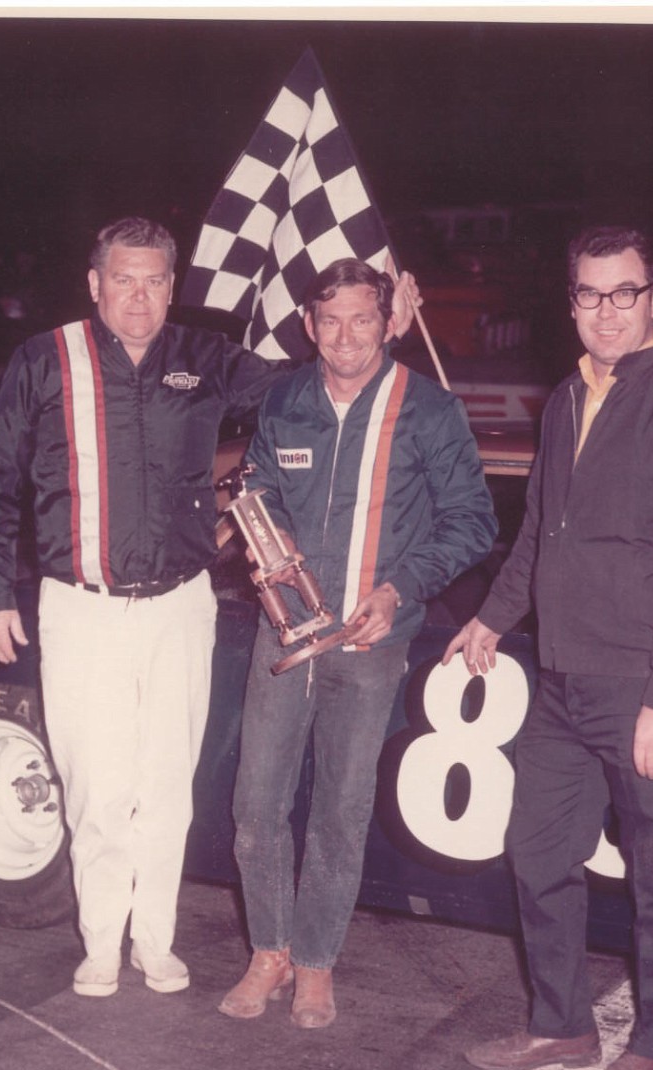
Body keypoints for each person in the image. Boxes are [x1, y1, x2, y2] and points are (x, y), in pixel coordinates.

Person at [0, 217, 417, 999]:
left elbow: (312, 386)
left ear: (172, 286)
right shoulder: (46, 359)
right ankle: (100, 940)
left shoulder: (203, 358)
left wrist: (386, 336)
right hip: (82, 604)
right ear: (95, 283)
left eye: (154, 280)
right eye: (123, 279)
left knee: (168, 780)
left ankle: (156, 939)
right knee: (98, 785)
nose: (138, 296)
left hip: (179, 604)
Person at [444, 226, 653, 1070]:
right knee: (536, 853)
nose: (605, 310)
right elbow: (543, 531)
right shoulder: (568, 399)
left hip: (646, 686)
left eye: (623, 292)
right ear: (571, 301)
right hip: (563, 680)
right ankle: (561, 1022)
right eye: (588, 293)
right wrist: (494, 617)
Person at [219, 258, 496, 1029]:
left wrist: (399, 587)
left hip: (372, 642)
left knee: (339, 812)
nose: (346, 337)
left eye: (362, 319)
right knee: (255, 806)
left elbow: (474, 521)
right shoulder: (285, 400)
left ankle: (315, 963)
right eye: (330, 320)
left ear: (388, 322)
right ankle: (267, 951)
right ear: (309, 325)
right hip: (286, 632)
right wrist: (259, 538)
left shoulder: (429, 409)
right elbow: (261, 485)